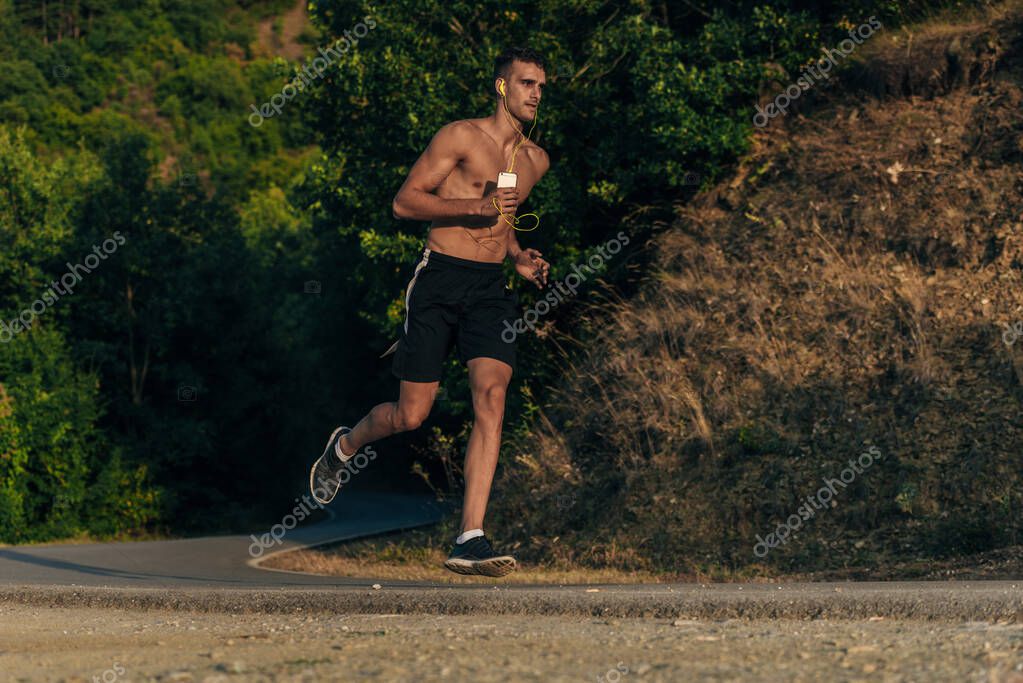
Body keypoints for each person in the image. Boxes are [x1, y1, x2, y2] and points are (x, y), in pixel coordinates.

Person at [309, 46, 551, 577]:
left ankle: (470, 536)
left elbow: (504, 227)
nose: (536, 93)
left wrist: (519, 259)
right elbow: (404, 202)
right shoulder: (459, 137)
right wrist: (473, 206)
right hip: (439, 279)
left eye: (541, 85)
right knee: (410, 414)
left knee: (492, 394)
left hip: (490, 290)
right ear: (502, 87)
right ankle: (345, 445)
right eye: (527, 83)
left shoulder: (535, 160)